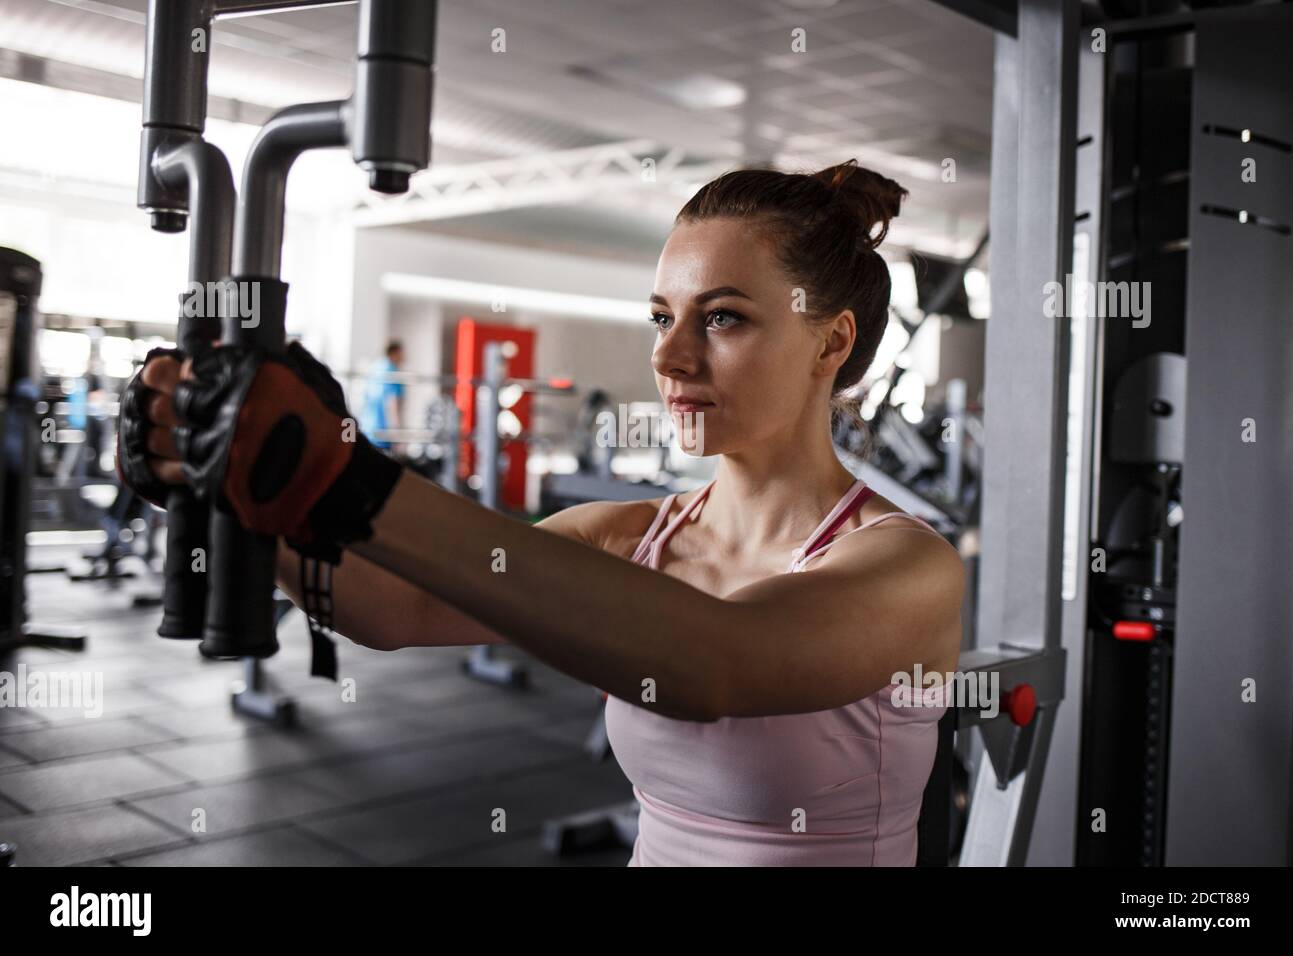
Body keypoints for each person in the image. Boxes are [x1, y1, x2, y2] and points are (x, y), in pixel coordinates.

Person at [116, 159, 965, 867]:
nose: (669, 355)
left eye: (723, 318)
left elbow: (718, 662)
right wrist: (215, 483)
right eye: (663, 317)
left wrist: (346, 479)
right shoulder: (630, 535)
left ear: (832, 341)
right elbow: (392, 603)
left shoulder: (906, 566)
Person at [358, 339, 405, 448]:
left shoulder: (375, 367)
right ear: (395, 353)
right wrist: (396, 435)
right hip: (383, 432)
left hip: (367, 428)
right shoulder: (392, 371)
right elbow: (391, 403)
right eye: (402, 353)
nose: (404, 357)